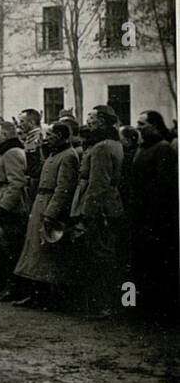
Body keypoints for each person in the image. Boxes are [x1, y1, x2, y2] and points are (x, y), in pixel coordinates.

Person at [12, 122, 80, 309]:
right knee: (36, 253)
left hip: (49, 206)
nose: (47, 138)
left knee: (49, 255)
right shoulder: (53, 154)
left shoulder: (68, 156)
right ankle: (36, 295)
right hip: (40, 203)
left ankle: (50, 298)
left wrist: (51, 213)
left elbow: (63, 188)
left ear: (59, 135)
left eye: (50, 134)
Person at [69, 105, 126, 318]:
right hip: (110, 206)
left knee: (100, 256)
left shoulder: (102, 147)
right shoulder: (114, 144)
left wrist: (87, 214)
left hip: (100, 209)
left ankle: (103, 305)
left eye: (92, 119)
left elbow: (97, 185)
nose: (89, 122)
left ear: (101, 121)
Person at [131, 111, 178, 322]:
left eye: (142, 124)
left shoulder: (163, 148)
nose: (138, 127)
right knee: (142, 262)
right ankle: (138, 306)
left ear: (154, 125)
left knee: (158, 262)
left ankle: (160, 310)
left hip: (156, 216)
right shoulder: (143, 148)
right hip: (140, 214)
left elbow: (165, 185)